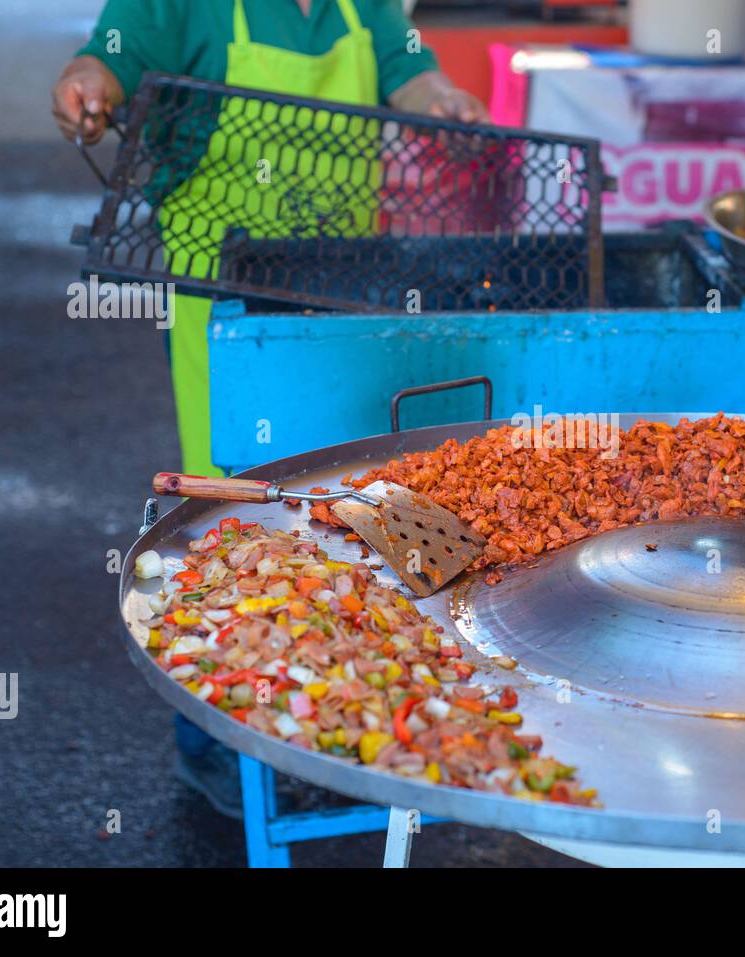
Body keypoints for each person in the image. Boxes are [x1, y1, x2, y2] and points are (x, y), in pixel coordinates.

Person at [53, 0, 488, 818]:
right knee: (228, 503)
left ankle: (323, 708)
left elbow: (412, 74)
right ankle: (210, 735)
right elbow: (108, 58)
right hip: (220, 293)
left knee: (329, 495)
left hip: (328, 285)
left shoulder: (365, 10)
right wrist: (86, 85)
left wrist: (446, 103)